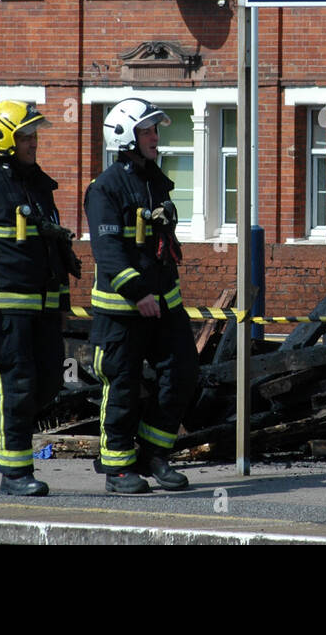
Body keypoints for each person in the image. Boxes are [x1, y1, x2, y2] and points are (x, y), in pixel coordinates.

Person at [0, 101, 74, 497]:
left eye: (34, 134)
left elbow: (53, 248)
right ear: (4, 138)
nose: (33, 142)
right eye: (25, 135)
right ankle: (16, 474)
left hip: (41, 310)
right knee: (17, 387)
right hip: (3, 313)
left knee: (50, 383)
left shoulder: (39, 185)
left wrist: (60, 303)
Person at [84, 98, 198, 493]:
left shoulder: (155, 180)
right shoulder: (105, 189)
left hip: (165, 304)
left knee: (182, 373)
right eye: (148, 131)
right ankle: (117, 468)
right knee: (122, 385)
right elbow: (108, 251)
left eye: (155, 130)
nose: (156, 137)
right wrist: (137, 292)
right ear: (125, 137)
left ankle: (154, 454)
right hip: (122, 311)